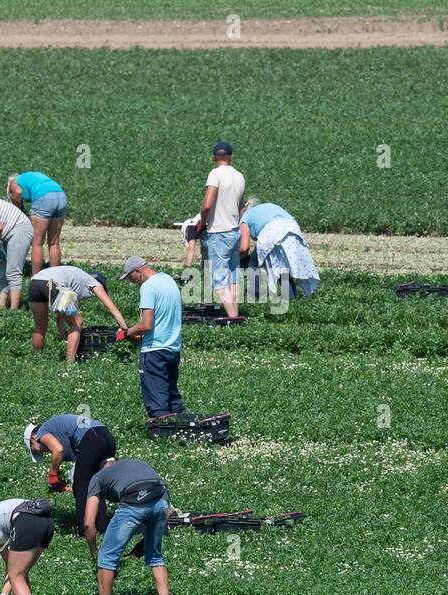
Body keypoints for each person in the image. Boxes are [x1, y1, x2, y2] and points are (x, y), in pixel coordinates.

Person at [83, 458, 174, 595]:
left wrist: (93, 551)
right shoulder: (136, 463)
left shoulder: (97, 478)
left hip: (133, 503)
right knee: (155, 556)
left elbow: (88, 524)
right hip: (160, 500)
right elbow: (165, 503)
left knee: (107, 557)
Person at [24, 413, 118, 534]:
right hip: (107, 437)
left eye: (36, 450)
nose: (43, 452)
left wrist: (53, 476)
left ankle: (86, 531)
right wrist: (64, 482)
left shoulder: (42, 431)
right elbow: (82, 463)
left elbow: (58, 450)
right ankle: (101, 527)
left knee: (82, 488)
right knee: (95, 485)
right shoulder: (59, 431)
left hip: (92, 439)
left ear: (33, 439)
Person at [120, 255, 184, 418]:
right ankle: (182, 432)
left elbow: (146, 325)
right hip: (173, 348)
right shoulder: (168, 280)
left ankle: (163, 434)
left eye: (130, 277)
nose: (130, 281)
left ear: (138, 271)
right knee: (172, 398)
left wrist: (127, 332)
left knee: (157, 402)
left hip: (154, 351)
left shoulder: (148, 287)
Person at [27, 265, 129, 363]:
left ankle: (37, 358)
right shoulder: (95, 283)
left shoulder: (77, 279)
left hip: (34, 283)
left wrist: (64, 335)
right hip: (53, 284)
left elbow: (60, 317)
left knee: (40, 326)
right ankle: (70, 365)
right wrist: (125, 329)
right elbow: (111, 308)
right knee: (76, 324)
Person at [196, 141, 246, 318]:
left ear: (213, 157)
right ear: (231, 157)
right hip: (235, 231)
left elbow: (207, 204)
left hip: (218, 232)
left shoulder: (215, 174)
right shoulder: (239, 176)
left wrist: (203, 220)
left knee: (218, 281)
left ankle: (233, 319)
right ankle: (235, 313)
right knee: (233, 278)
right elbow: (241, 206)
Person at [238, 197, 320, 300]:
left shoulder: (245, 218)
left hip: (272, 231)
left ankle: (256, 296)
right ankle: (291, 300)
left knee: (254, 264)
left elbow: (244, 248)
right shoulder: (266, 207)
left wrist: (237, 260)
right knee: (283, 269)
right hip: (293, 229)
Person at [7, 171, 67, 275]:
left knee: (37, 242)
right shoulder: (30, 177)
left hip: (44, 198)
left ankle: (37, 277)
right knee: (54, 243)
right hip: (61, 196)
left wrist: (19, 209)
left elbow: (17, 192)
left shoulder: (13, 183)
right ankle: (56, 277)